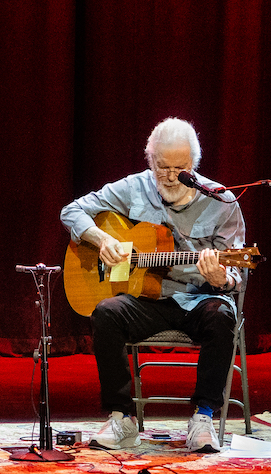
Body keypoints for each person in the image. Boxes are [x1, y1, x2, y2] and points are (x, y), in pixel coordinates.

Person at [60, 117, 246, 454]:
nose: (172, 176)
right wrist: (101, 239)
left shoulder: (221, 201)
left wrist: (221, 277)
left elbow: (236, 277)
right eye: (163, 167)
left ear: (194, 165)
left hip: (200, 299)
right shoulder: (135, 186)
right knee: (106, 312)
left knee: (222, 315)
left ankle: (203, 418)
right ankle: (122, 417)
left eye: (181, 167)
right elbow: (72, 211)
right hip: (149, 299)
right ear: (151, 161)